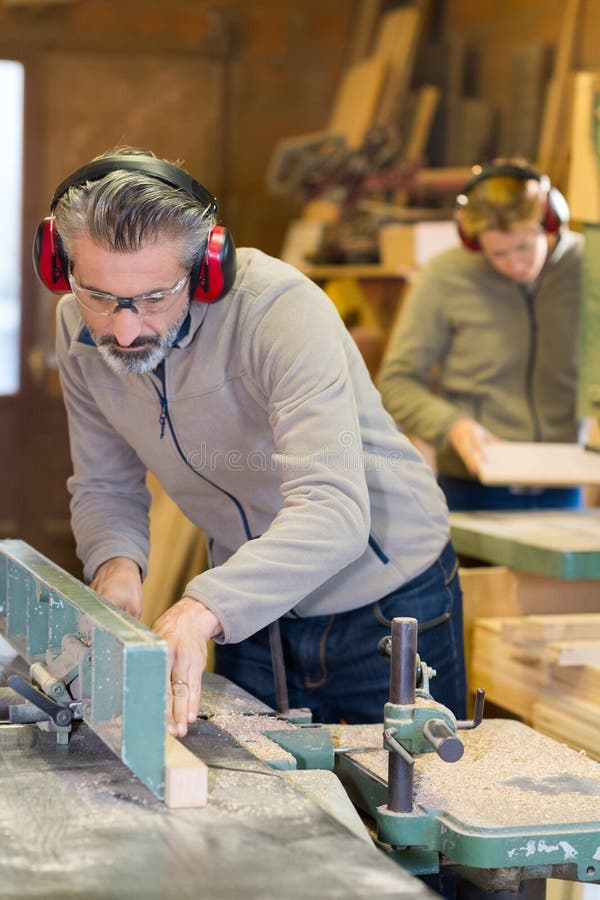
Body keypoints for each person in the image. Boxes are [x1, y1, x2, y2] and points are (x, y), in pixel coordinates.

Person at [36, 147, 466, 737]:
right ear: (63, 270)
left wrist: (201, 608)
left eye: (155, 298)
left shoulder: (278, 312)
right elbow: (105, 483)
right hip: (250, 607)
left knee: (408, 801)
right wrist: (115, 567)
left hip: (387, 601)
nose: (124, 329)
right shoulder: (77, 330)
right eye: (99, 296)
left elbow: (334, 509)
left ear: (206, 269)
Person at [378, 161, 585, 512]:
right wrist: (451, 426)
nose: (515, 264)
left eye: (524, 247)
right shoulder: (445, 277)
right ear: (473, 242)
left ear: (549, 222)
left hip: (563, 483)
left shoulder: (590, 264)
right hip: (472, 487)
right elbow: (397, 382)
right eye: (498, 254)